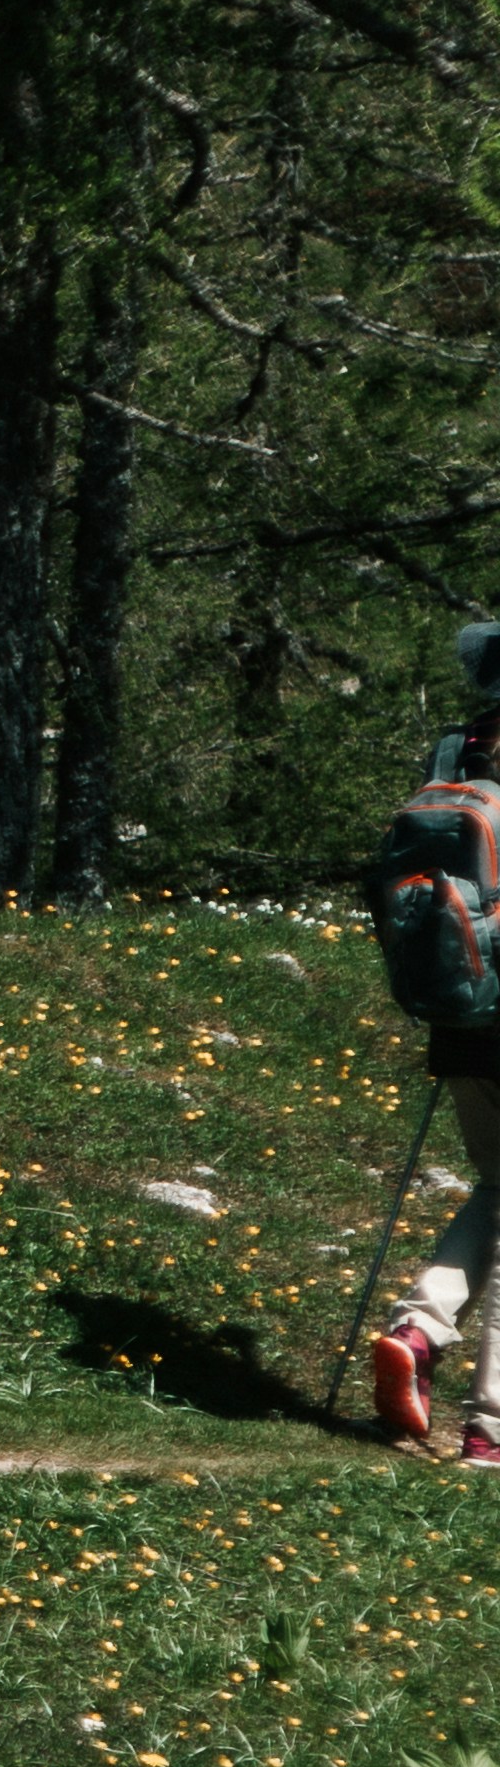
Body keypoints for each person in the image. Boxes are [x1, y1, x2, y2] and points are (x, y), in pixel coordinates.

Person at [369, 612, 500, 1460]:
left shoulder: (460, 755)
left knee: (498, 1184)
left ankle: (418, 1331)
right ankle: (492, 1427)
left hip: (463, 1016)